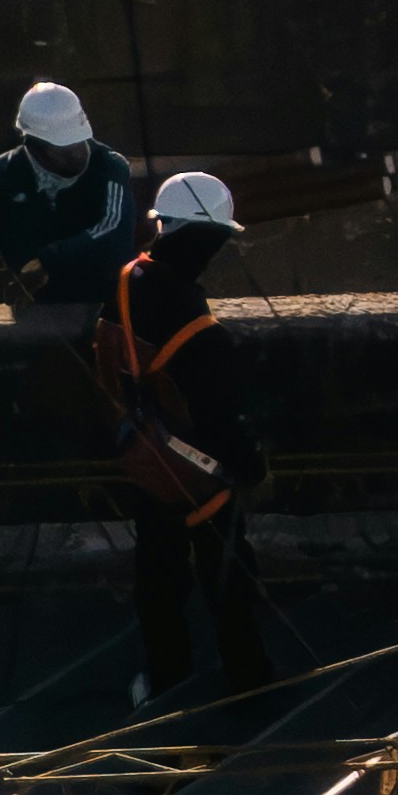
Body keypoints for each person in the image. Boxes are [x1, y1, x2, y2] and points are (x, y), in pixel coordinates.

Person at [99, 169, 278, 704]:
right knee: (228, 576)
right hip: (200, 472)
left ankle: (166, 679)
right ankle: (248, 681)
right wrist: (253, 469)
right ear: (202, 237)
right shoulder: (193, 322)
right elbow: (221, 417)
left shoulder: (128, 281)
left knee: (157, 580)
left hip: (142, 454)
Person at [0, 79, 143, 316]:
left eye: (79, 142)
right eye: (64, 150)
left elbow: (114, 230)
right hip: (32, 312)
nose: (78, 154)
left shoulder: (110, 166)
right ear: (33, 144)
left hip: (104, 310)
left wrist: (47, 262)